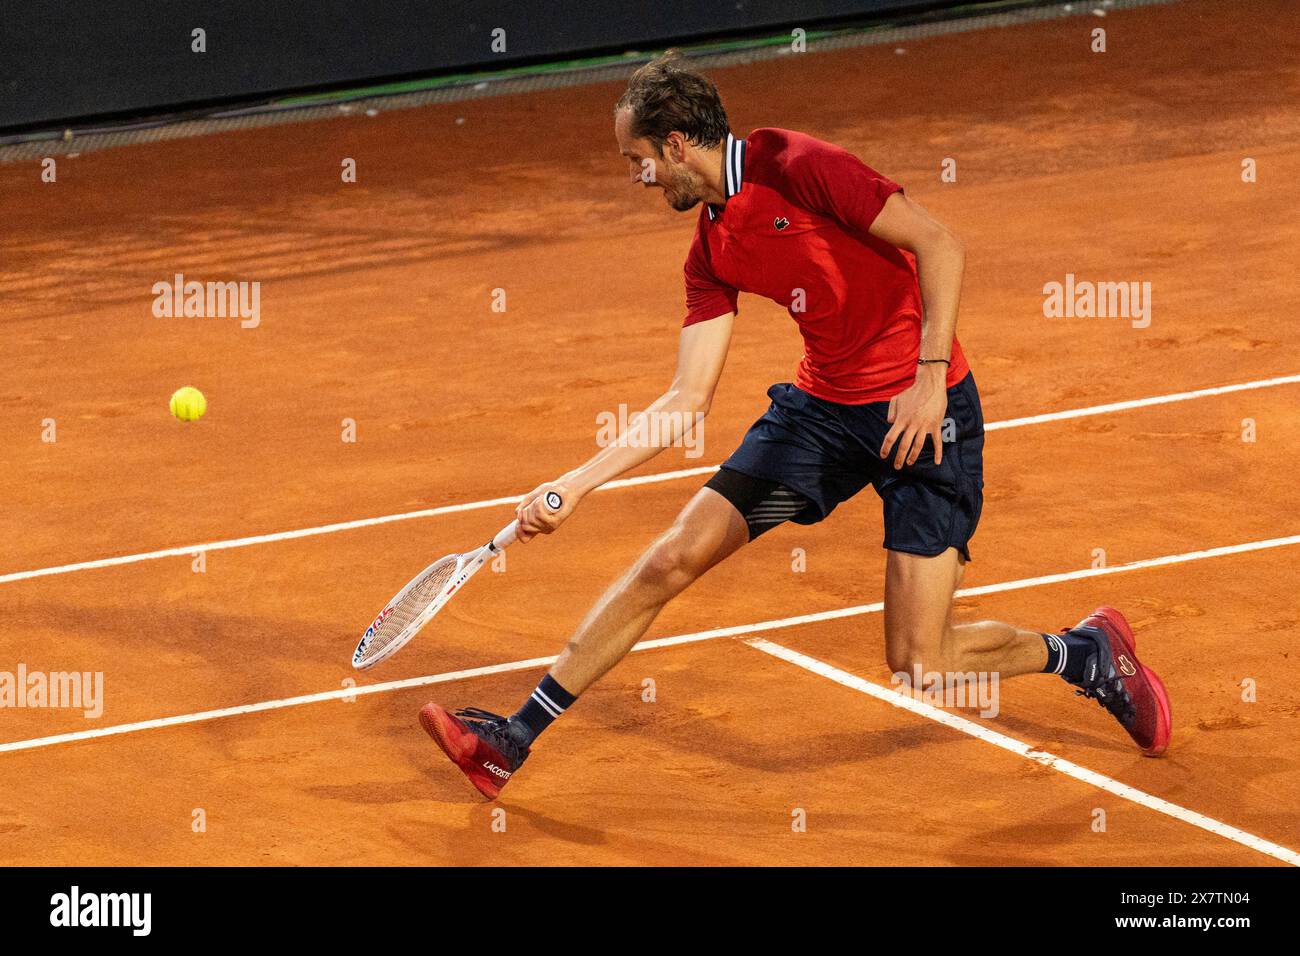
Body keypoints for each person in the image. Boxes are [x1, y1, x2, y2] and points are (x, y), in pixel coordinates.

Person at [419, 53, 1171, 800]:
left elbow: (940, 244)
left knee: (921, 663)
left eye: (639, 160)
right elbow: (686, 399)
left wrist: (929, 377)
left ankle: (1082, 654)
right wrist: (574, 486)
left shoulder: (799, 164)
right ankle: (511, 741)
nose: (637, 178)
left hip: (923, 415)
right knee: (670, 558)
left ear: (678, 143)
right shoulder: (711, 249)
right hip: (820, 420)